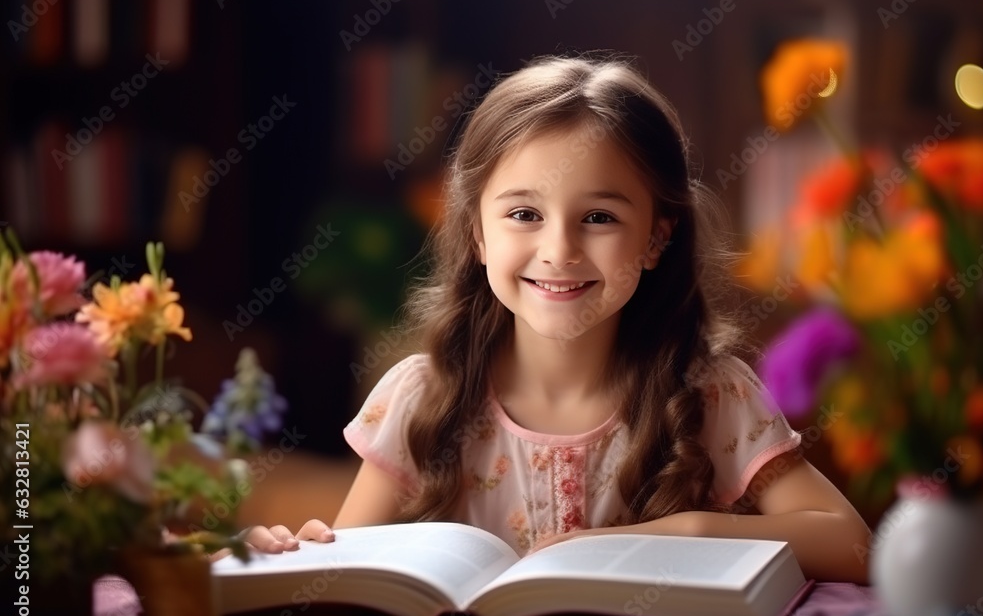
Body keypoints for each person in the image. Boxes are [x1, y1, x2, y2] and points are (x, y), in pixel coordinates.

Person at [246, 53, 872, 584]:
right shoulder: (422, 397)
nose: (559, 251)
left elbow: (852, 544)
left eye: (599, 217)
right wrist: (287, 558)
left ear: (656, 239)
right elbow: (348, 570)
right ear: (477, 235)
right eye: (524, 215)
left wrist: (684, 532)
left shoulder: (712, 393)